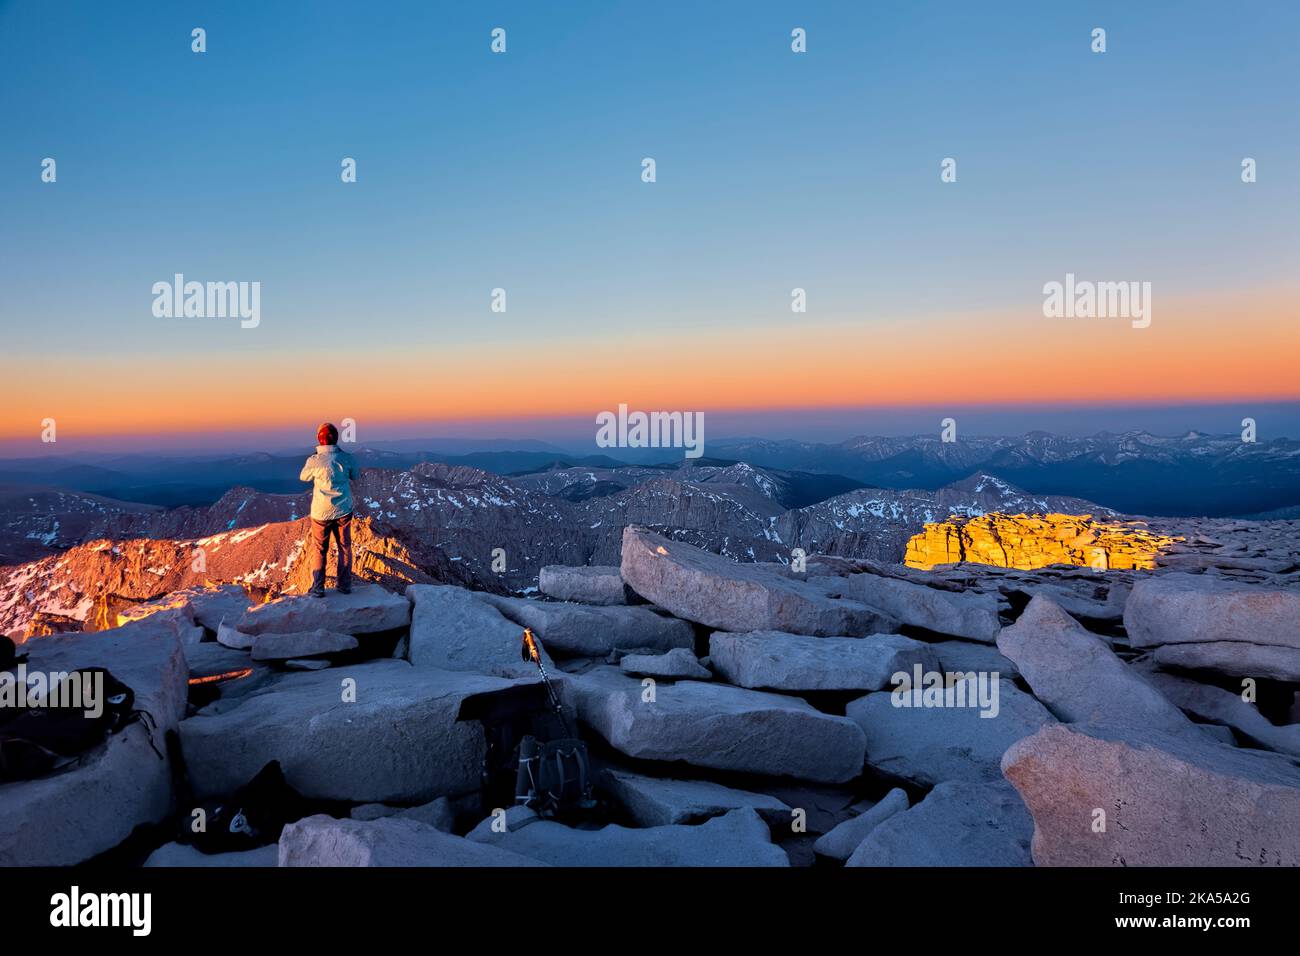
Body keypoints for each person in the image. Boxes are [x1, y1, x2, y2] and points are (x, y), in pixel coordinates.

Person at [299, 423, 360, 597]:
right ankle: (344, 586)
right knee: (344, 547)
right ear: (336, 438)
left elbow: (303, 477)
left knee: (319, 549)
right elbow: (355, 476)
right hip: (343, 510)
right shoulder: (347, 458)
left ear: (320, 439)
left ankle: (318, 589)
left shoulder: (314, 460)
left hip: (321, 512)